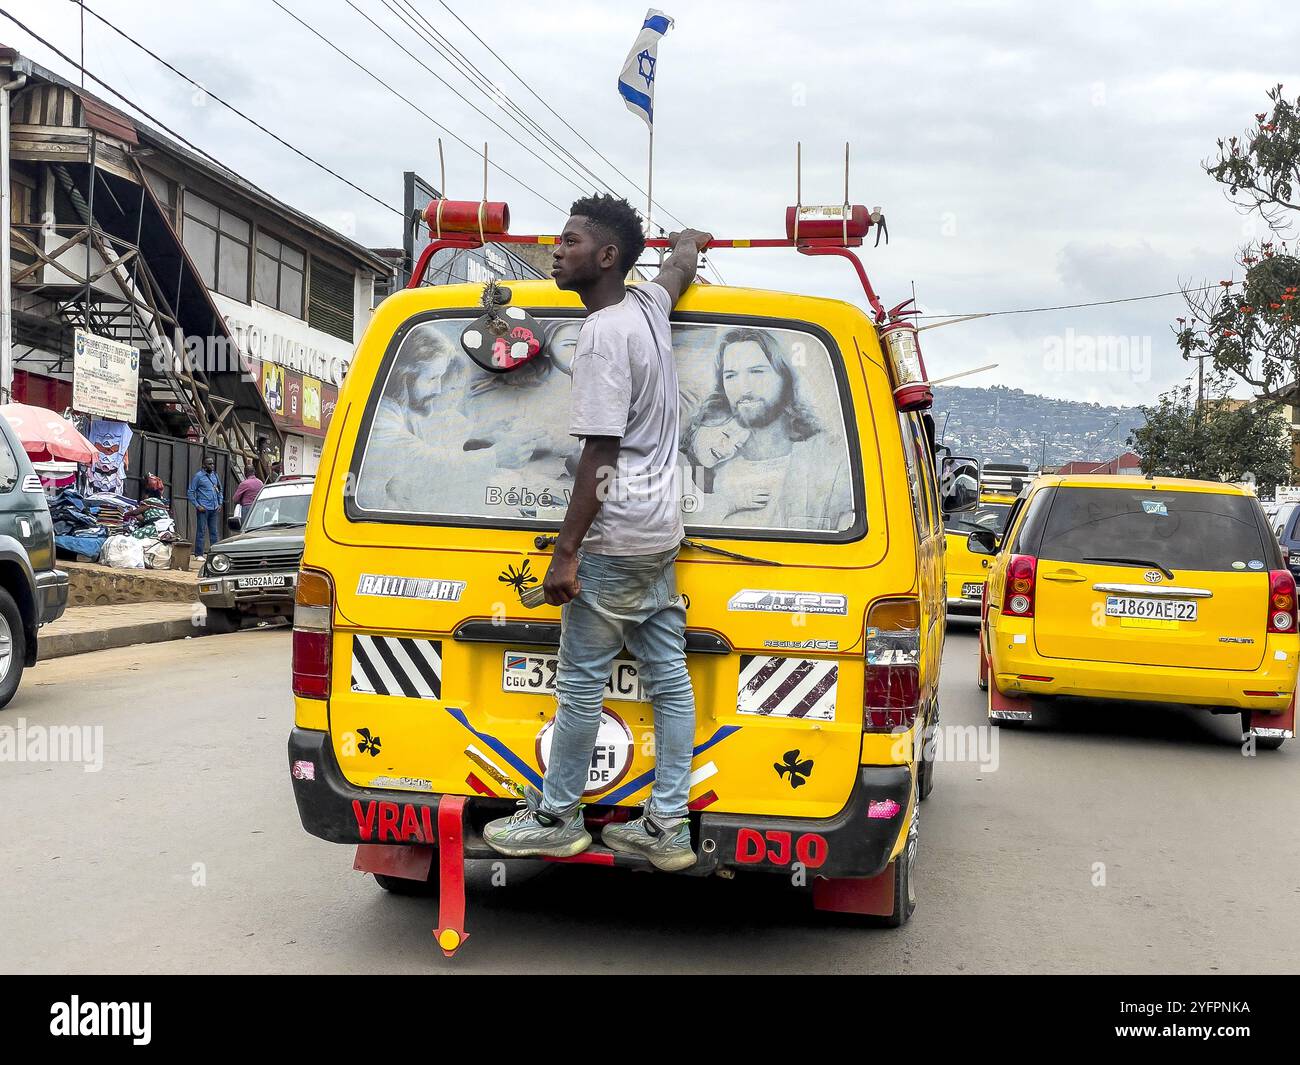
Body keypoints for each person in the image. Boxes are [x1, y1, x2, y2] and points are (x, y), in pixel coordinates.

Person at [483, 193, 712, 871]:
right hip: (660, 529)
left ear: (606, 258)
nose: (556, 249)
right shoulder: (646, 307)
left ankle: (557, 815)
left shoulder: (604, 337)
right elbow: (675, 272)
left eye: (570, 240)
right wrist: (689, 244)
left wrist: (566, 553)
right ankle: (666, 824)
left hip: (615, 535)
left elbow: (600, 455)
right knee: (669, 677)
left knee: (581, 680)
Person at [684, 327, 853, 531]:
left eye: (757, 372)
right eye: (730, 376)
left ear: (785, 378)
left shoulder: (831, 459)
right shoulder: (711, 465)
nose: (744, 388)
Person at [187, 456, 223, 559]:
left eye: (212, 463)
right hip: (203, 508)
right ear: (204, 465)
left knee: (214, 532)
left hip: (214, 508)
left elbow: (220, 490)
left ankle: (214, 553)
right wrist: (197, 505)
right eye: (209, 464)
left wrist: (220, 503)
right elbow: (190, 491)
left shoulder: (215, 476)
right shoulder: (198, 476)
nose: (212, 466)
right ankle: (199, 554)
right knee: (201, 531)